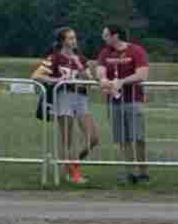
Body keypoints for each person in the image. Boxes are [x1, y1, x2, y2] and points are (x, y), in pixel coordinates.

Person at [32, 27, 99, 185]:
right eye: (70, 38)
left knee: (93, 138)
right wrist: (55, 81)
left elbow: (90, 80)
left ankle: (73, 163)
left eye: (74, 38)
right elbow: (36, 75)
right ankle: (73, 174)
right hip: (63, 97)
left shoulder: (81, 59)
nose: (74, 41)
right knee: (67, 139)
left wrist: (79, 65)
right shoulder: (55, 58)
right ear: (62, 41)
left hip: (81, 98)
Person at [94, 23, 150, 185]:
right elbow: (100, 70)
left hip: (134, 100)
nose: (103, 38)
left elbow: (142, 74)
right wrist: (103, 80)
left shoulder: (136, 50)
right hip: (114, 102)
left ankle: (143, 172)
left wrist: (122, 82)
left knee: (138, 137)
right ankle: (129, 172)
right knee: (123, 139)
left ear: (115, 35)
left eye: (105, 35)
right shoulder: (105, 52)